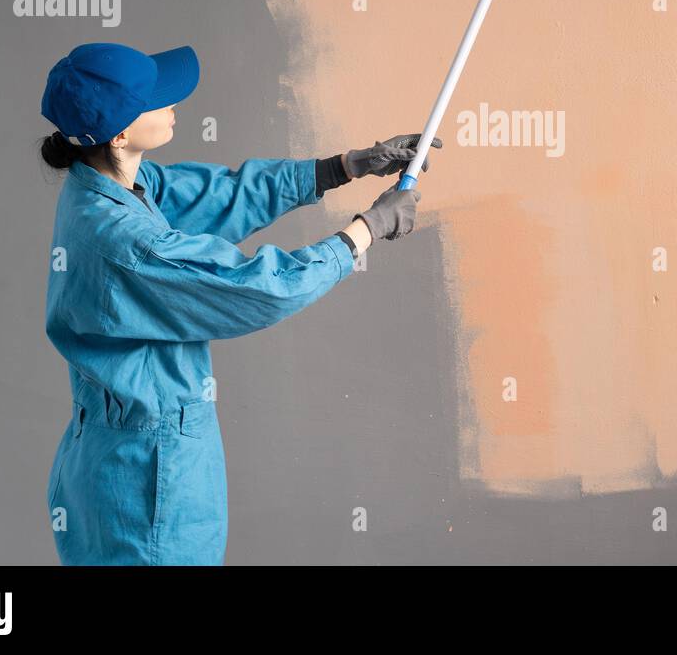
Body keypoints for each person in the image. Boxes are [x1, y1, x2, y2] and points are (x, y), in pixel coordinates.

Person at [38, 42, 439, 564]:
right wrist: (367, 230)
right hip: (148, 481)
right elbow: (258, 288)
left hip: (108, 459)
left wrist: (346, 166)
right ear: (119, 134)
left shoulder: (110, 186)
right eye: (156, 100)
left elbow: (222, 195)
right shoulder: (126, 242)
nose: (172, 104)